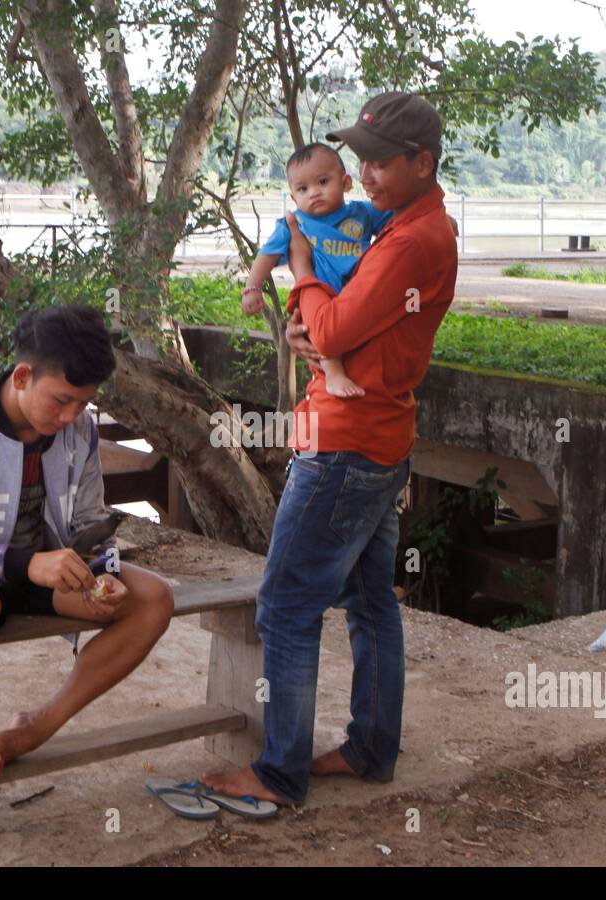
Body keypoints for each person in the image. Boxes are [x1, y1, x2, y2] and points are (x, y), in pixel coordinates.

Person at [201, 92, 459, 806]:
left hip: (345, 444)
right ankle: (372, 748)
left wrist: (305, 274)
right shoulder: (410, 224)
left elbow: (339, 327)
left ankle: (279, 773)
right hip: (378, 433)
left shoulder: (409, 239)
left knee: (285, 604)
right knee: (372, 599)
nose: (366, 174)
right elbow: (338, 327)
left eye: (380, 163)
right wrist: (305, 322)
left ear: (422, 163)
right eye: (363, 160)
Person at [0, 304, 175, 833]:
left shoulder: (80, 431)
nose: (71, 417)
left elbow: (92, 524)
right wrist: (26, 563)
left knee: (154, 599)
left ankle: (38, 726)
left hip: (42, 572)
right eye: (62, 400)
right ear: (23, 376)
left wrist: (105, 572)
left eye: (84, 403)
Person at [242, 142, 393, 398]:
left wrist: (437, 219)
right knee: (316, 330)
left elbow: (400, 219)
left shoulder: (363, 213)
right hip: (318, 295)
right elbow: (266, 255)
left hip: (356, 294)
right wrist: (252, 288)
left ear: (345, 183)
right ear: (293, 197)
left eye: (323, 182)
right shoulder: (295, 224)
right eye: (303, 189)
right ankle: (333, 373)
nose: (314, 193)